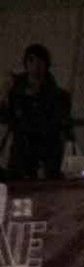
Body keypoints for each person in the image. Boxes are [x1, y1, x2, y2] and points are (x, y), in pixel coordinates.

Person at [0, 43, 70, 180]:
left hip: (47, 154)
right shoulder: (15, 91)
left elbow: (54, 124)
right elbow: (5, 118)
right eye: (31, 60)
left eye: (40, 61)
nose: (36, 65)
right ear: (26, 64)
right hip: (20, 154)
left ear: (46, 65)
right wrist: (4, 96)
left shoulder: (57, 95)